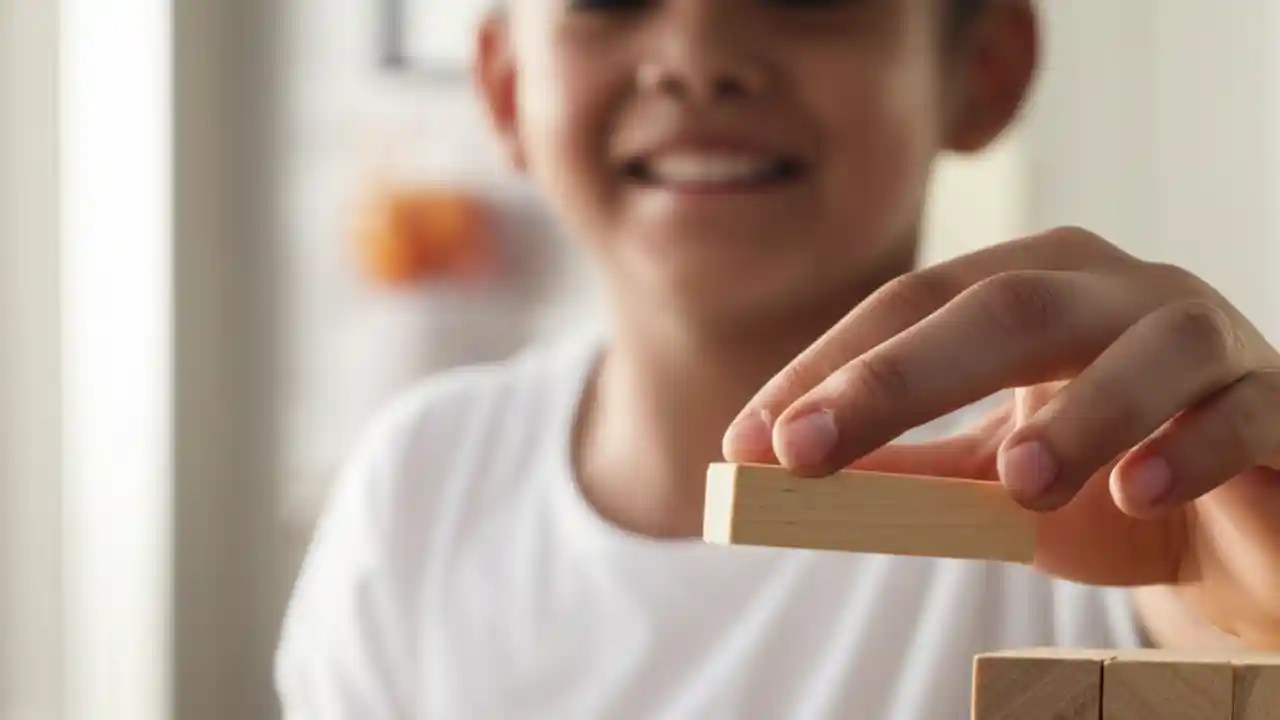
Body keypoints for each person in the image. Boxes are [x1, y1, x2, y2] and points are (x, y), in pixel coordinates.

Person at [276, 0, 1280, 717]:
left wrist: (1254, 606)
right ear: (504, 86)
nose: (698, 54)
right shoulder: (419, 485)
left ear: (984, 66)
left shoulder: (1102, 484)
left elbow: (1221, 617)